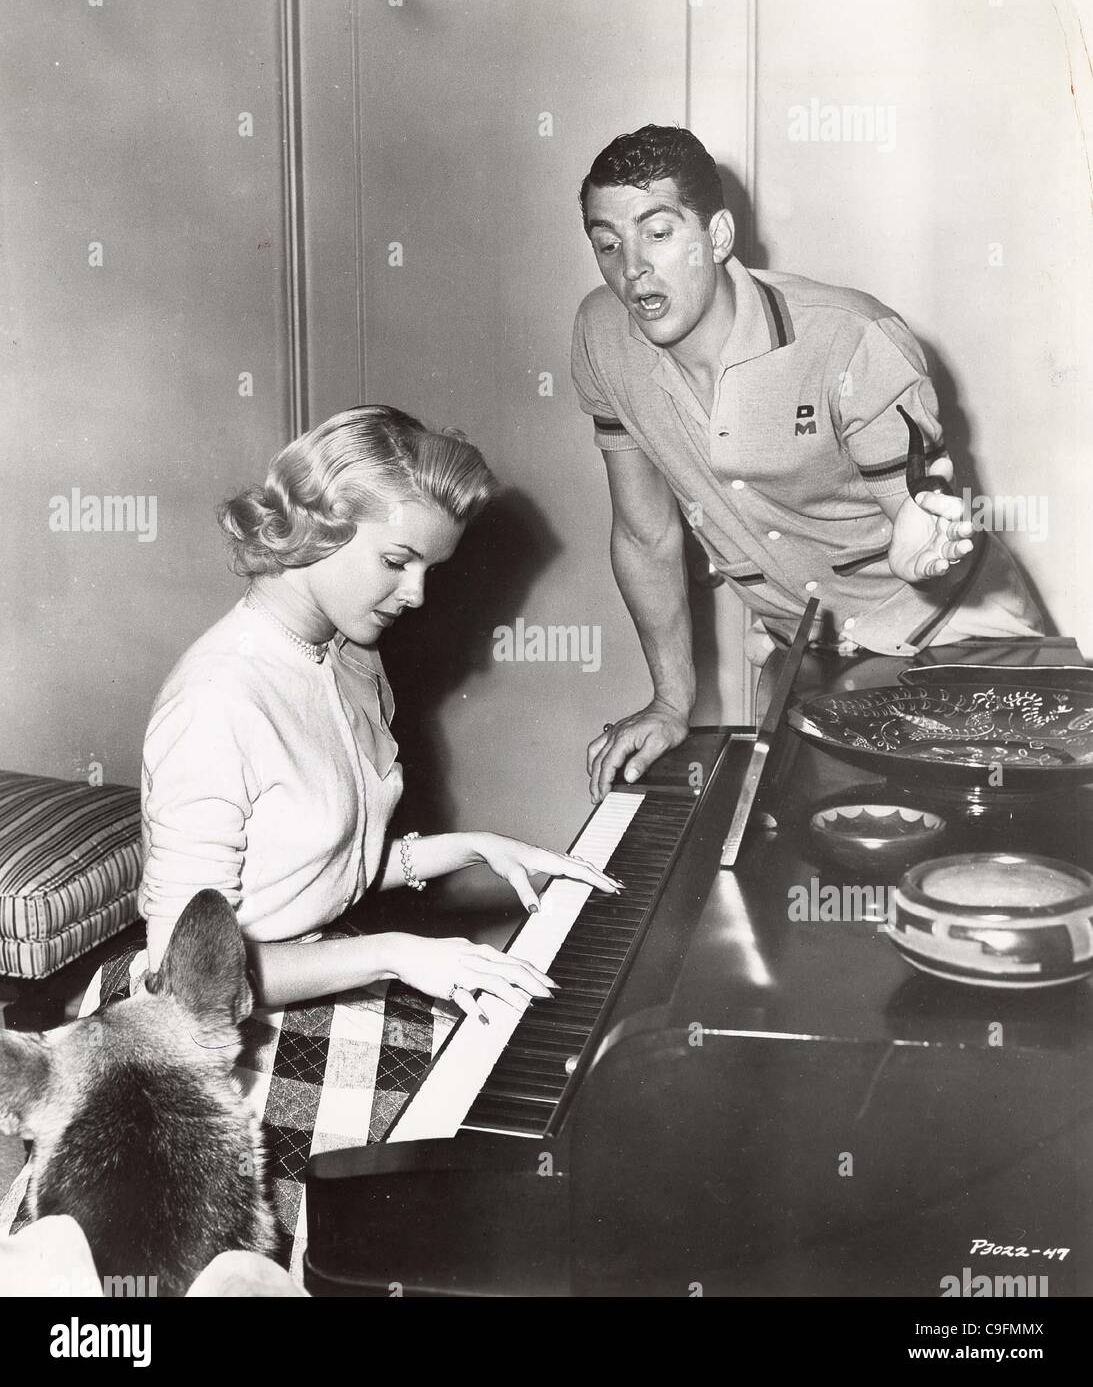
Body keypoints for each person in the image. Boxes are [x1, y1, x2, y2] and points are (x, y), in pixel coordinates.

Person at [571, 125, 1043, 802]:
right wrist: (670, 703)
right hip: (809, 659)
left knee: (979, 852)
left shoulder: (850, 339)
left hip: (958, 639)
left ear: (718, 237)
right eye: (607, 244)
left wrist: (919, 539)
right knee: (788, 859)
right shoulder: (599, 337)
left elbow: (916, 513)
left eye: (657, 232)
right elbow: (645, 535)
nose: (632, 269)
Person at [139, 404, 621, 1020]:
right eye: (397, 562)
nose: (417, 594)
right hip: (222, 1027)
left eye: (429, 570)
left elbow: (326, 874)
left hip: (322, 965)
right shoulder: (215, 699)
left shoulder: (344, 654)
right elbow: (184, 986)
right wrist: (394, 954)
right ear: (319, 525)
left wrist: (475, 847)